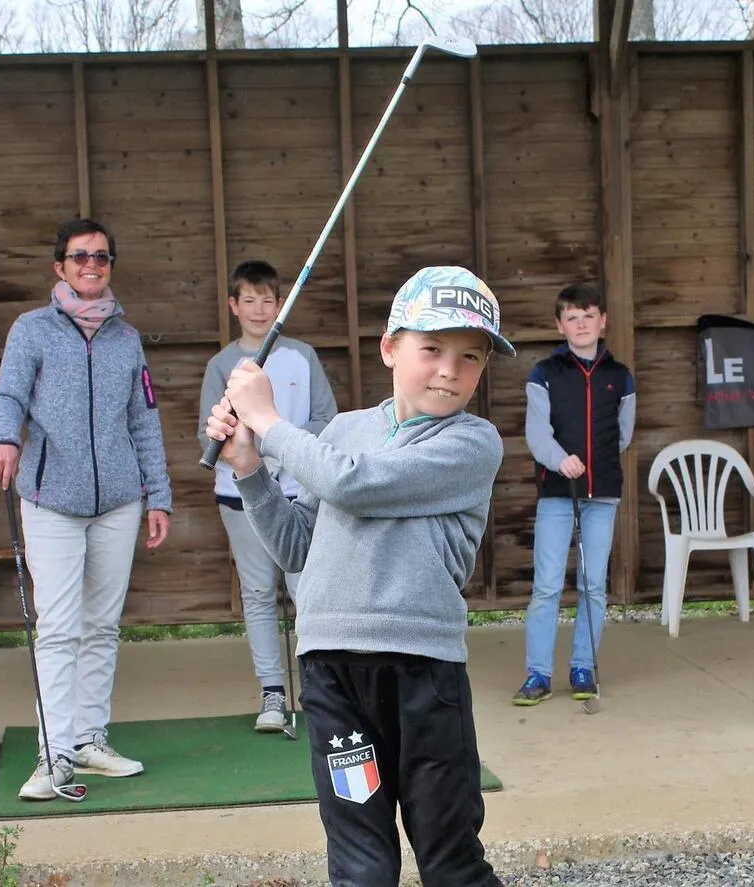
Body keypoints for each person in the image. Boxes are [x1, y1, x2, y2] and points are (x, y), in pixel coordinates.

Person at [205, 266, 513, 887]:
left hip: (423, 675)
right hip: (333, 677)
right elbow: (296, 546)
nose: (450, 371)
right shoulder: (344, 432)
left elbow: (353, 483)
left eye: (470, 357)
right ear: (390, 348)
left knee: (449, 858)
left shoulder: (472, 442)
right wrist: (248, 470)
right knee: (360, 866)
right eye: (432, 349)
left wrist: (267, 422)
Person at [0, 218, 172, 800]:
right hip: (51, 502)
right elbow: (8, 394)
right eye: (80, 256)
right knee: (60, 628)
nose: (92, 265)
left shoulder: (127, 338)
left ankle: (89, 740)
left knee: (102, 627)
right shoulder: (31, 330)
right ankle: (53, 753)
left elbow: (143, 417)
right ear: (59, 267)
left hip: (119, 501)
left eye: (102, 257)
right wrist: (3, 437)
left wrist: (157, 494)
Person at [197, 259, 337, 732]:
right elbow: (209, 437)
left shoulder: (303, 356)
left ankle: (317, 689)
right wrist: (248, 457)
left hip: (301, 490)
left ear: (280, 304)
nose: (259, 309)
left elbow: (325, 420)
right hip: (240, 495)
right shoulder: (222, 365)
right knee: (258, 592)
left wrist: (281, 448)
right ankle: (273, 694)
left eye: (268, 300)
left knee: (306, 589)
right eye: (249, 300)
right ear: (234, 306)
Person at [513, 281, 635, 706]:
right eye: (572, 318)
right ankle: (538, 674)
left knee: (593, 585)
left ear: (602, 321)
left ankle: (582, 666)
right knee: (546, 587)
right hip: (556, 494)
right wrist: (559, 458)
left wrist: (594, 465)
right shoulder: (544, 374)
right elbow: (536, 433)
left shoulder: (619, 377)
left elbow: (622, 435)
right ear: (559, 325)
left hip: (601, 496)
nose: (581, 324)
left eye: (588, 316)